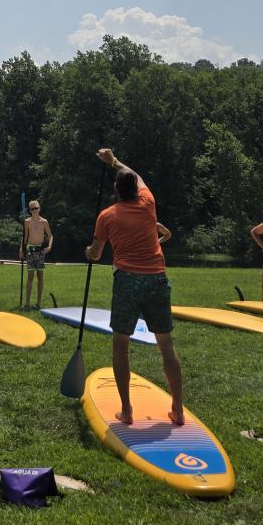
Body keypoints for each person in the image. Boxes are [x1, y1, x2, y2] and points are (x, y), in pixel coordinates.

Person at [86, 149, 184, 427]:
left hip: (127, 280)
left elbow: (95, 253)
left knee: (120, 343)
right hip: (156, 279)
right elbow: (138, 176)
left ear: (117, 190)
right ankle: (177, 410)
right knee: (166, 344)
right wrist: (115, 160)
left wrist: (87, 251)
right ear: (135, 189)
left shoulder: (107, 215)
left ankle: (127, 410)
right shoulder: (148, 203)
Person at [19, 200, 53, 310]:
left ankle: (38, 303)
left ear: (39, 208)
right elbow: (24, 237)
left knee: (40, 276)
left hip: (40, 250)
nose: (34, 210)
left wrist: (49, 246)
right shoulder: (27, 222)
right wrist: (21, 249)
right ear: (29, 210)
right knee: (30, 277)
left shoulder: (44, 222)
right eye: (32, 209)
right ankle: (27, 304)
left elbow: (50, 236)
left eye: (36, 208)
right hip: (30, 250)